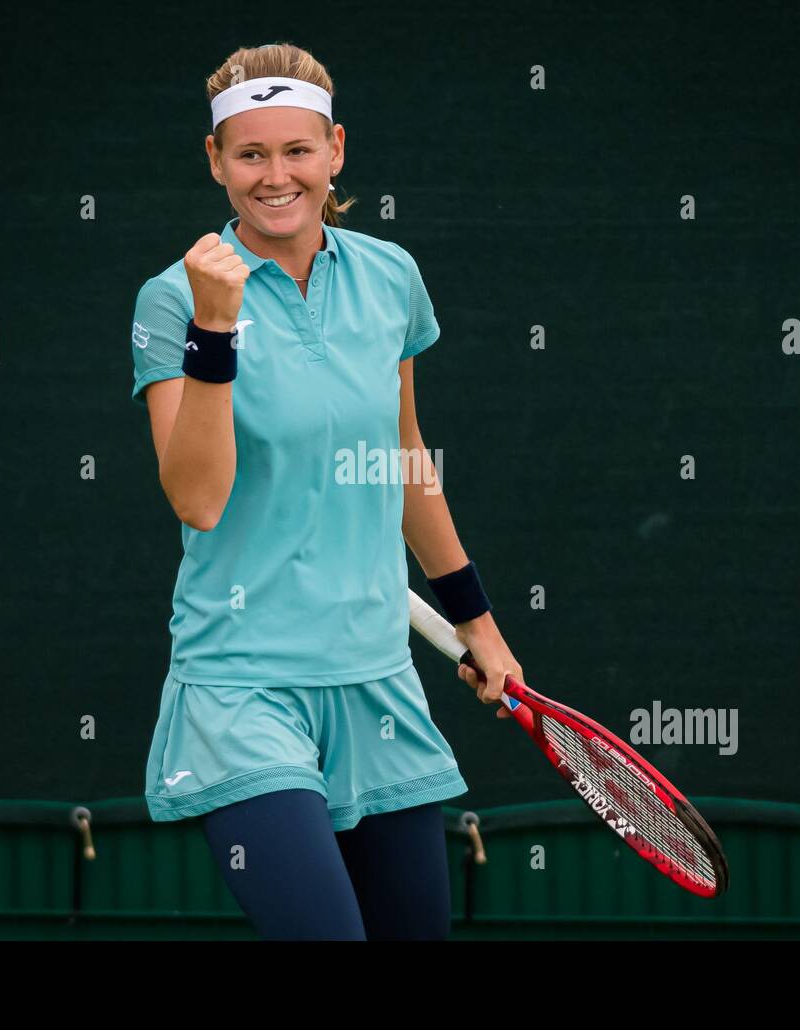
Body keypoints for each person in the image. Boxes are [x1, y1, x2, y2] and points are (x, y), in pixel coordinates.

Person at [129, 42, 524, 940]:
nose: (276, 176)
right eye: (251, 154)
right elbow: (197, 498)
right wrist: (216, 330)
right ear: (216, 162)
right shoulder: (172, 301)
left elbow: (404, 454)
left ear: (335, 151)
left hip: (376, 679)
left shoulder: (390, 277)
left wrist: (478, 623)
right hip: (243, 689)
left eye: (297, 151)